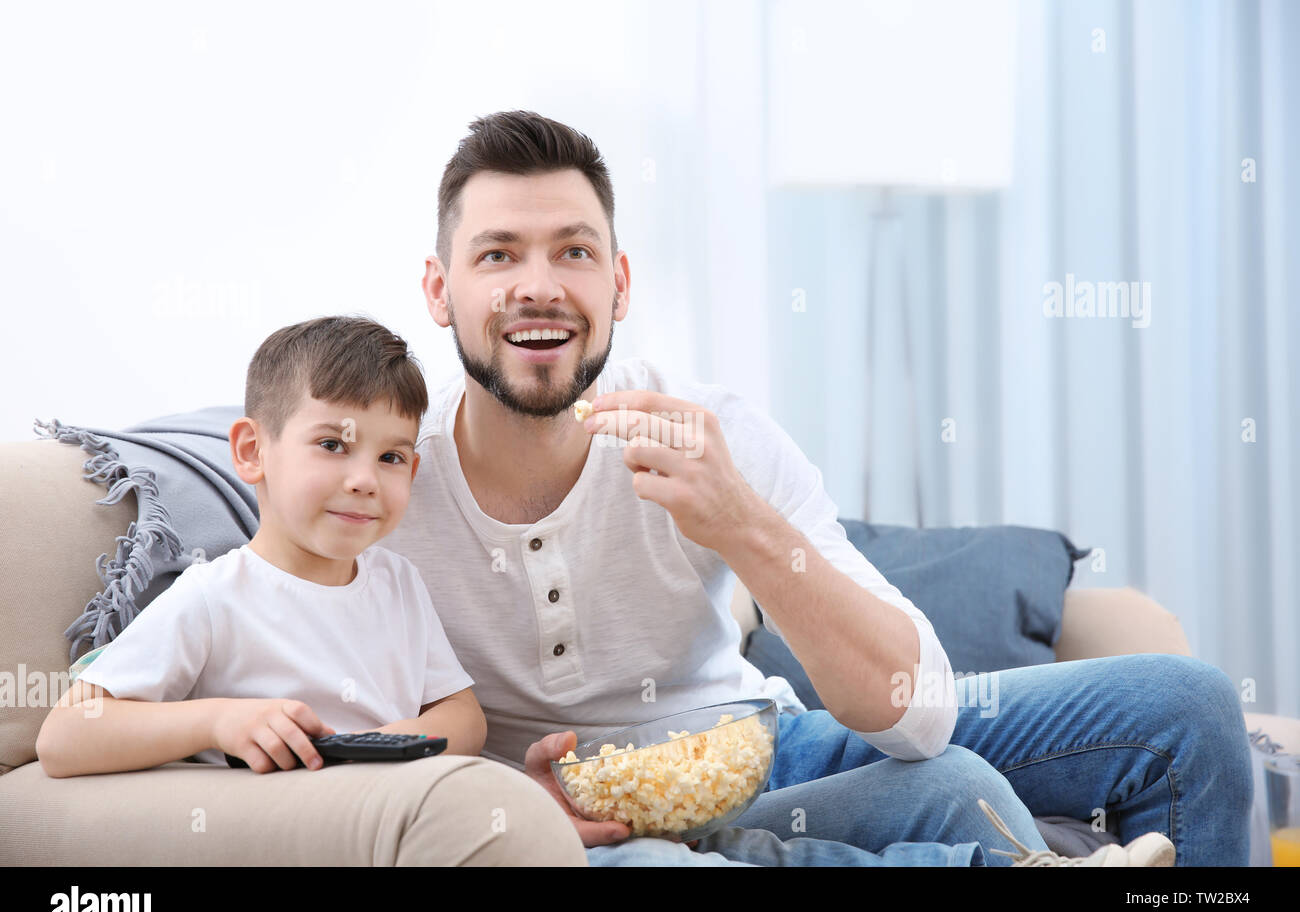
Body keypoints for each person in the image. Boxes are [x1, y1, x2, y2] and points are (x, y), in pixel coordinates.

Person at [385, 110, 1252, 867]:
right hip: (558, 814)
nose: (538, 285)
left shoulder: (714, 434)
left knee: (1189, 707)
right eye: (497, 254)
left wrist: (742, 525)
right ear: (439, 289)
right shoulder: (383, 483)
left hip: (768, 752)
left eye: (573, 251)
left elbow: (917, 720)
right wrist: (502, 805)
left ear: (617, 284)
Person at [36, 316, 488, 776]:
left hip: (394, 818)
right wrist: (217, 721)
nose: (364, 481)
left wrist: (391, 746)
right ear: (252, 452)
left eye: (390, 457)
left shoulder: (399, 582)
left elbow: (463, 714)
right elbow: (63, 737)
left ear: (412, 471)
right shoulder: (216, 597)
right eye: (332, 444)